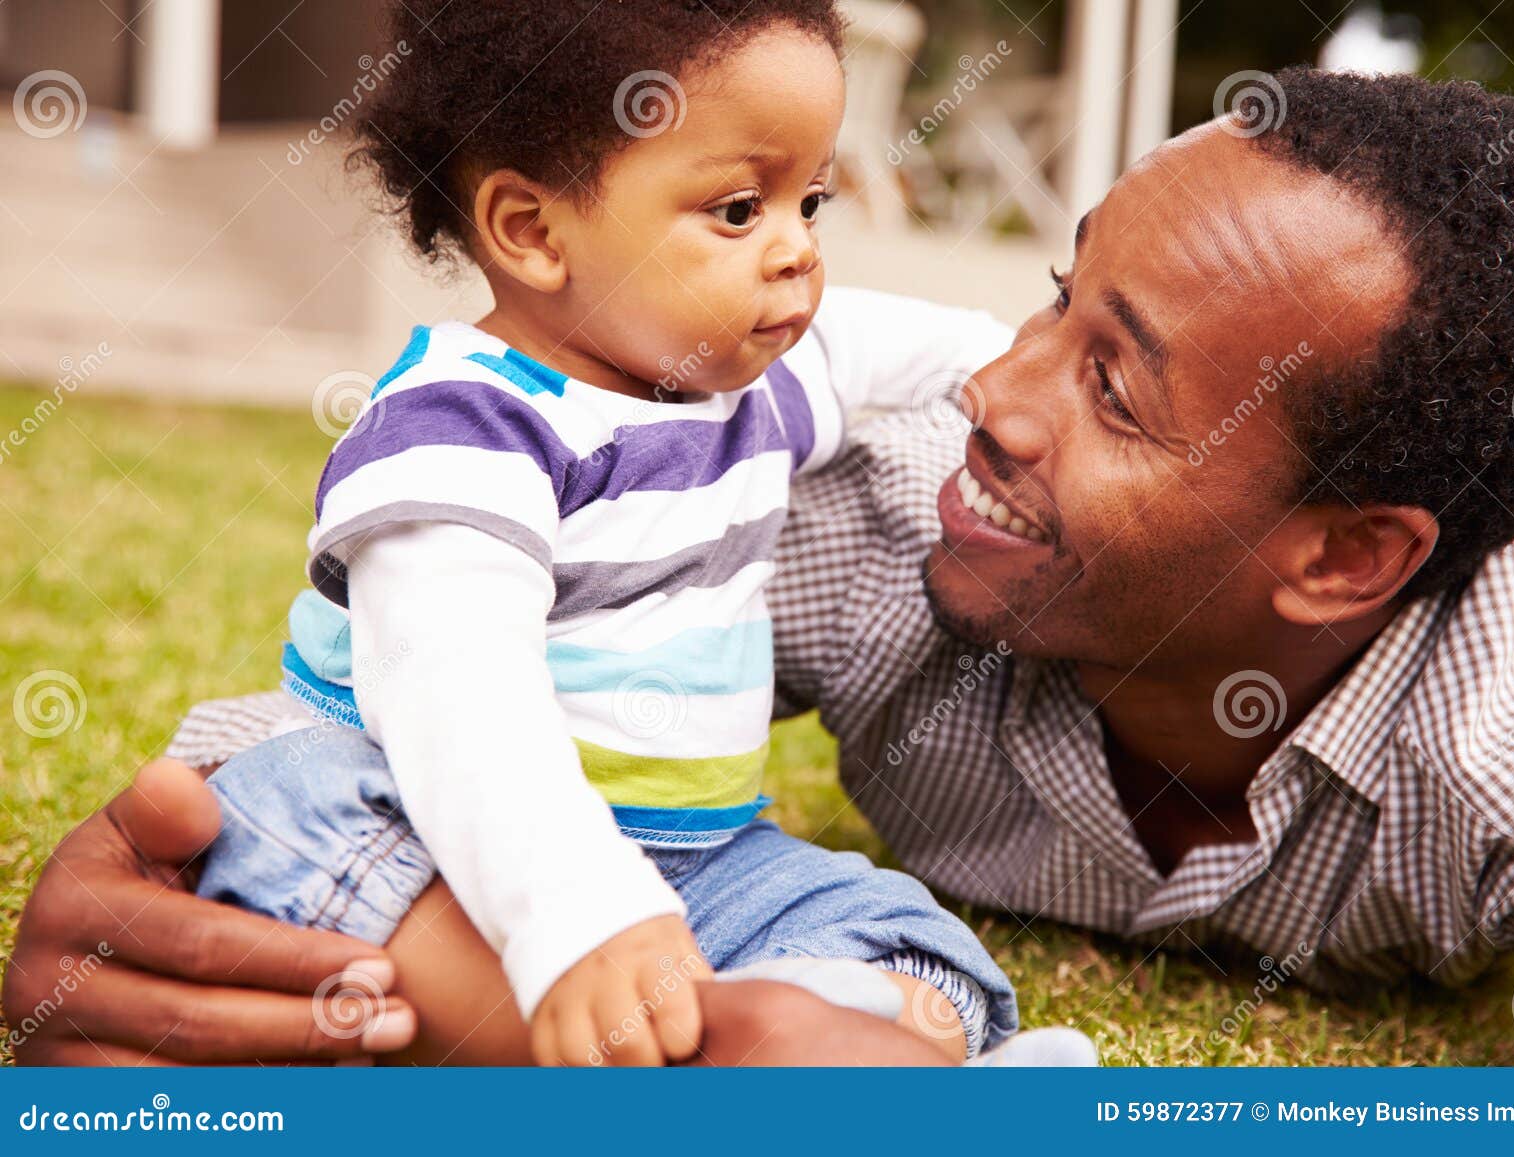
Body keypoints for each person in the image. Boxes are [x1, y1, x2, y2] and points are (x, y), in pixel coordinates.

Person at [9, 67, 1514, 1066]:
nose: (992, 394)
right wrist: (171, 856)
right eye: (1052, 299)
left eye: (1115, 388)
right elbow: (443, 665)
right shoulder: (863, 519)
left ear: (1343, 563)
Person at [164, 0, 1079, 1068]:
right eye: (740, 207)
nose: (796, 251)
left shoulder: (761, 378)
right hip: (415, 820)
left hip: (691, 857)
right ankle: (717, 1045)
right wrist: (575, 910)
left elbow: (980, 360)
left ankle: (769, 1032)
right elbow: (460, 699)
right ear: (533, 230)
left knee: (920, 953)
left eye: (812, 200)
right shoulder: (468, 427)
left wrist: (1084, 399)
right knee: (308, 836)